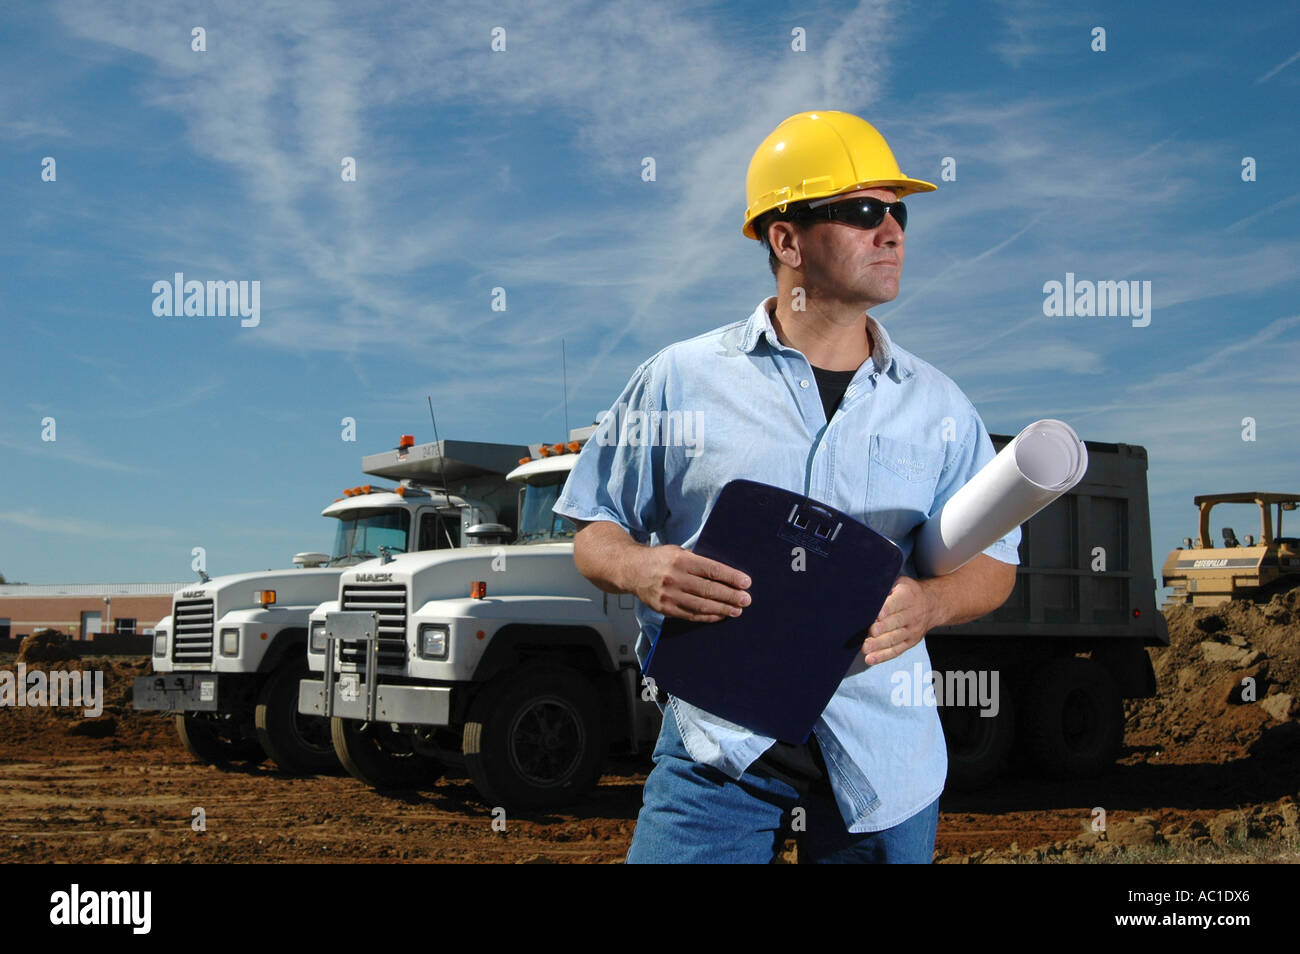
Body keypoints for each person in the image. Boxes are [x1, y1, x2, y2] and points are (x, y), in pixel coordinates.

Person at [553, 110, 1020, 863]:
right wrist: (645, 567)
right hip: (717, 756)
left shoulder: (940, 406)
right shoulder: (680, 379)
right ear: (786, 239)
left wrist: (929, 604)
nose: (893, 231)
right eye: (865, 211)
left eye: (897, 212)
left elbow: (997, 564)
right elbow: (593, 526)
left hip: (881, 764)